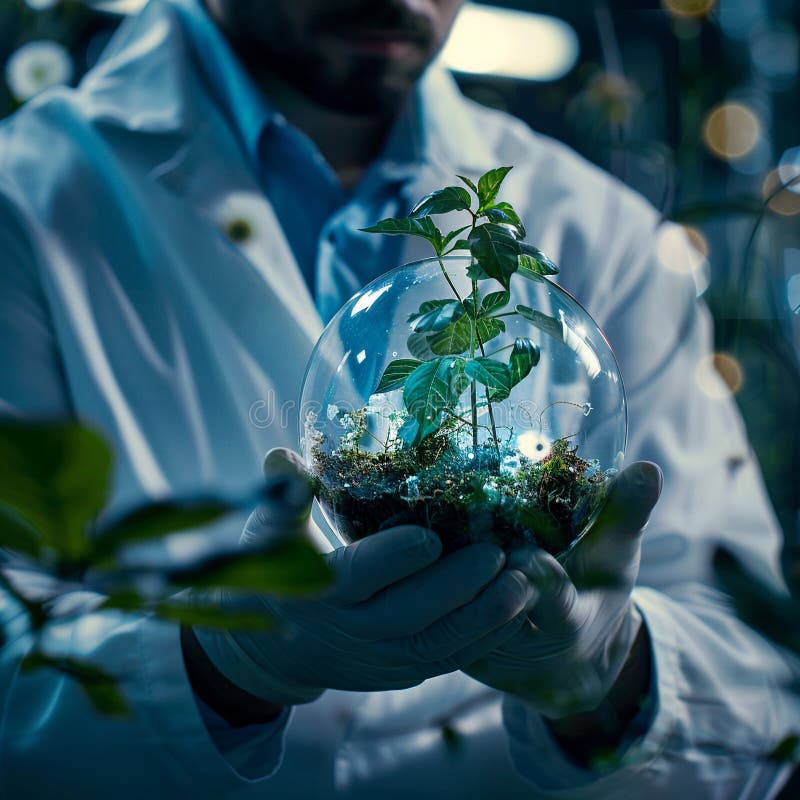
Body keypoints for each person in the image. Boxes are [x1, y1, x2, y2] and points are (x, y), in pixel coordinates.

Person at [0, 0, 797, 797]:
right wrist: (221, 665)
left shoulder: (603, 228)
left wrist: (614, 675)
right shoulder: (25, 197)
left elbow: (758, 687)